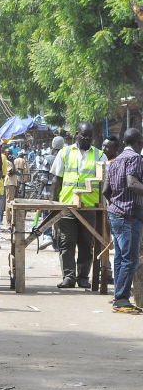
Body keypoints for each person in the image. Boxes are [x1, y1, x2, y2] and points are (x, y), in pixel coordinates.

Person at [51, 122, 106, 288]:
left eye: (89, 136)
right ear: (77, 134)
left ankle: (83, 277)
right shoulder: (65, 152)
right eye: (84, 135)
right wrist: (53, 205)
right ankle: (69, 277)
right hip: (67, 206)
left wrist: (103, 205)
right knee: (66, 242)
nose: (87, 138)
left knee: (86, 243)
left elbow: (104, 183)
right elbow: (57, 179)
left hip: (89, 208)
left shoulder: (99, 155)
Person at [103, 128, 143, 313]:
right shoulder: (135, 158)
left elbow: (106, 191)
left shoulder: (115, 160)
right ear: (138, 142)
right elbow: (132, 183)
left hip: (116, 215)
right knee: (130, 260)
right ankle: (121, 299)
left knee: (120, 258)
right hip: (129, 216)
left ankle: (119, 296)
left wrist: (116, 205)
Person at [4, 150, 28, 227]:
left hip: (14, 183)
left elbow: (17, 173)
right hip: (9, 183)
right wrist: (14, 166)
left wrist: (14, 166)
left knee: (12, 201)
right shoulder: (7, 162)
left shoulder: (12, 162)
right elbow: (11, 173)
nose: (10, 155)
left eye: (11, 153)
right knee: (8, 201)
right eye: (8, 154)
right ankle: (8, 220)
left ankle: (11, 220)